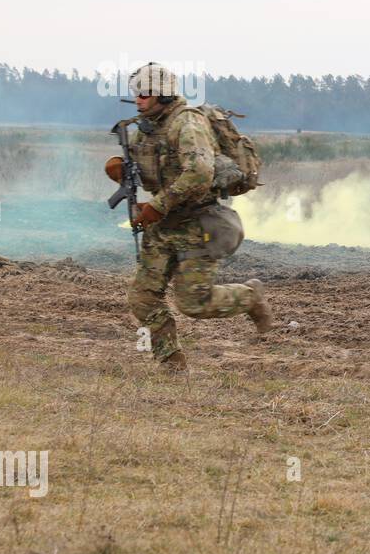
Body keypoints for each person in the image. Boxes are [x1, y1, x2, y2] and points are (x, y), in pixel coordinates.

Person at [105, 63, 273, 372]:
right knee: (142, 298)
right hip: (162, 226)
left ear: (164, 95)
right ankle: (171, 361)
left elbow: (199, 173)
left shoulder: (187, 124)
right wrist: (123, 172)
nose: (138, 100)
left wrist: (158, 204)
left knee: (194, 303)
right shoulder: (148, 127)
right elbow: (156, 172)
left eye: (144, 94)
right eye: (136, 94)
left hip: (197, 224)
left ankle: (251, 297)